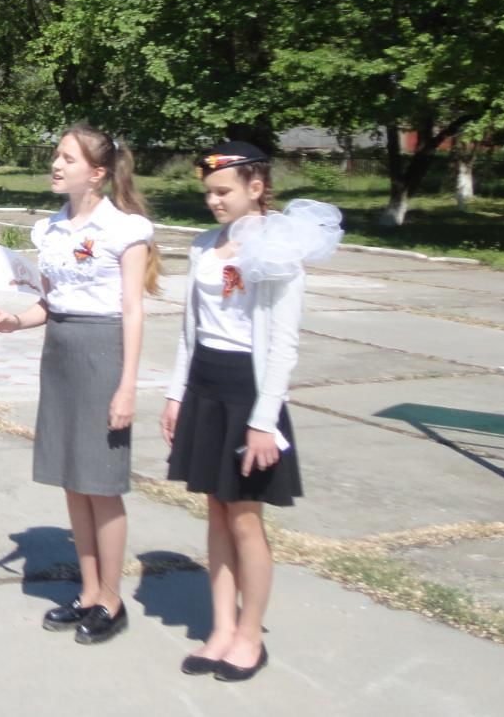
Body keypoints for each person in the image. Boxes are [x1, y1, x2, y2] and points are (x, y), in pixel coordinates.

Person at [161, 140, 340, 681]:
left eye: (223, 192)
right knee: (214, 511)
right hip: (206, 387)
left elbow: (283, 344)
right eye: (209, 193)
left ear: (255, 188)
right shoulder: (202, 247)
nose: (213, 201)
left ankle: (250, 634)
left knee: (244, 518)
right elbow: (191, 331)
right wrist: (175, 393)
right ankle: (220, 627)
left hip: (249, 394)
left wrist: (265, 419)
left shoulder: (278, 251)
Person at [0, 123, 159, 645]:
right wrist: (16, 321)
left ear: (98, 173)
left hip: (103, 355)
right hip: (60, 354)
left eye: (67, 158)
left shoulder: (123, 230)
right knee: (72, 479)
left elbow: (132, 309)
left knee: (101, 485)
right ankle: (88, 592)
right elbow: (51, 300)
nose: (56, 165)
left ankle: (112, 598)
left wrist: (127, 384)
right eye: (56, 156)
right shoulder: (52, 230)